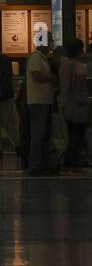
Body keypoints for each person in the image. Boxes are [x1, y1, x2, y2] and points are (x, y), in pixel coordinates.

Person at [25, 40, 56, 176]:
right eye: (50, 41)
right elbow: (36, 76)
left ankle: (43, 163)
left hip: (45, 100)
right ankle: (36, 164)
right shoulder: (36, 58)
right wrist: (51, 77)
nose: (51, 45)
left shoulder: (43, 58)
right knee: (38, 133)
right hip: (38, 101)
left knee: (45, 134)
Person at [58, 37, 88, 173]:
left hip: (79, 103)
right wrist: (64, 102)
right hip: (72, 104)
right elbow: (65, 86)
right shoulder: (69, 65)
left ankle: (74, 160)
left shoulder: (76, 63)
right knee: (73, 133)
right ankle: (70, 161)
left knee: (78, 133)